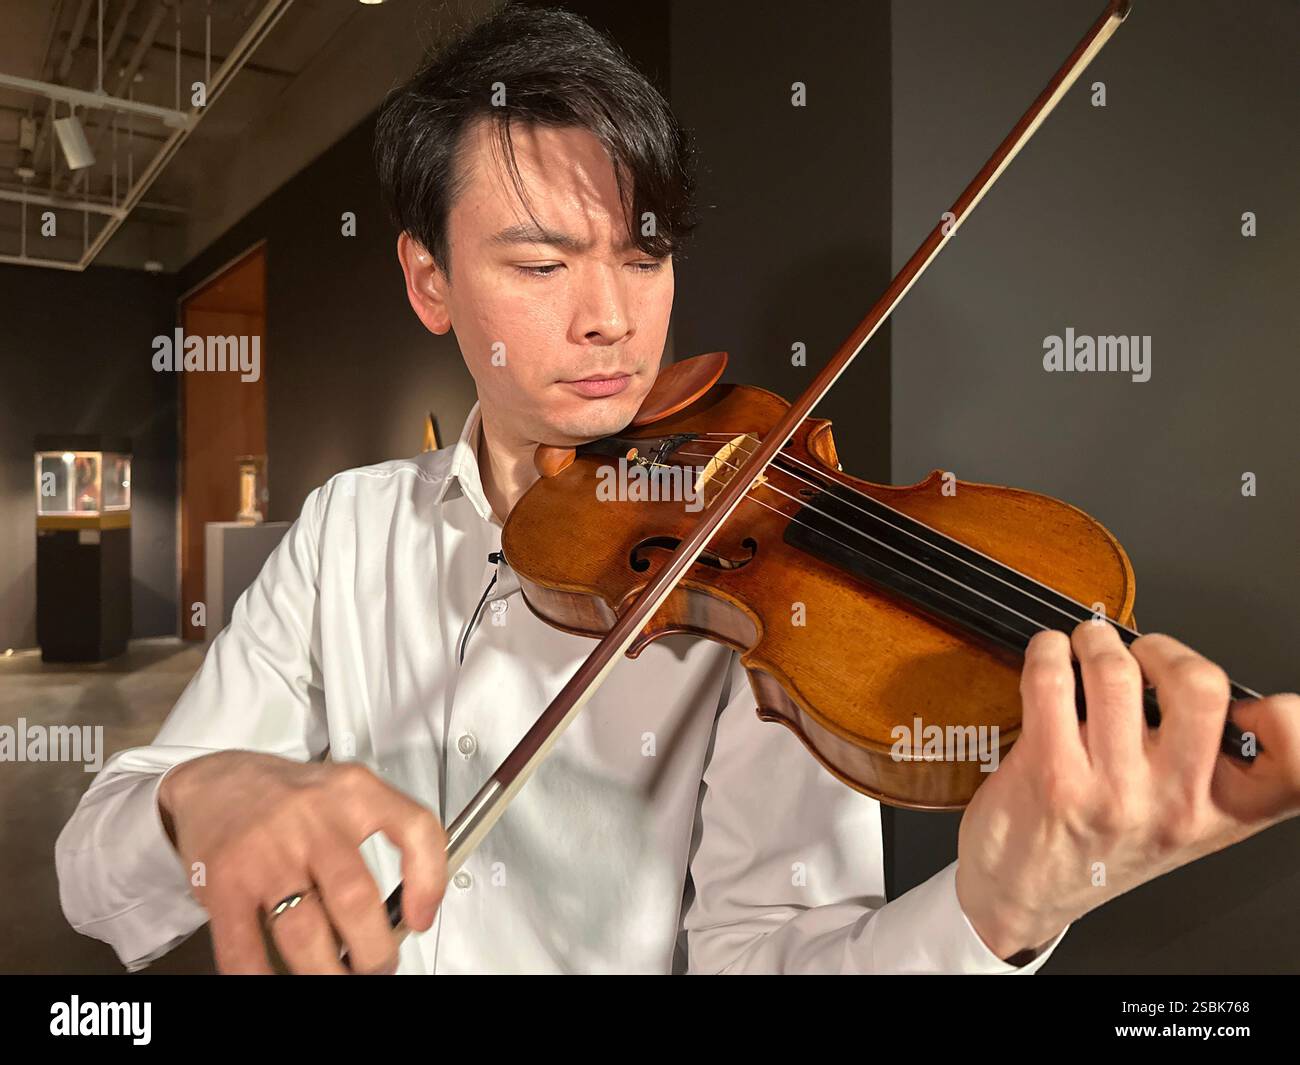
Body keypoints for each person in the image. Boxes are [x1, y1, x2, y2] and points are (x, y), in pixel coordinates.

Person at [55, 4, 1299, 975]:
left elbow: (774, 957)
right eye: (540, 262)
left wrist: (997, 910)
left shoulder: (767, 597)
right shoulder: (347, 530)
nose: (611, 319)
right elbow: (91, 875)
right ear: (429, 283)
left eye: (644, 253)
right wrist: (203, 792)